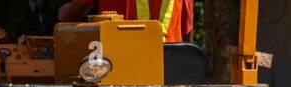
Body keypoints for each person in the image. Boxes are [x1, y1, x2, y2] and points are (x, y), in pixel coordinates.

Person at [56, 0, 194, 42]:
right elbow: (187, 34)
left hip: (117, 67)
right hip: (170, 73)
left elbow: (71, 16)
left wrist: (67, 13)